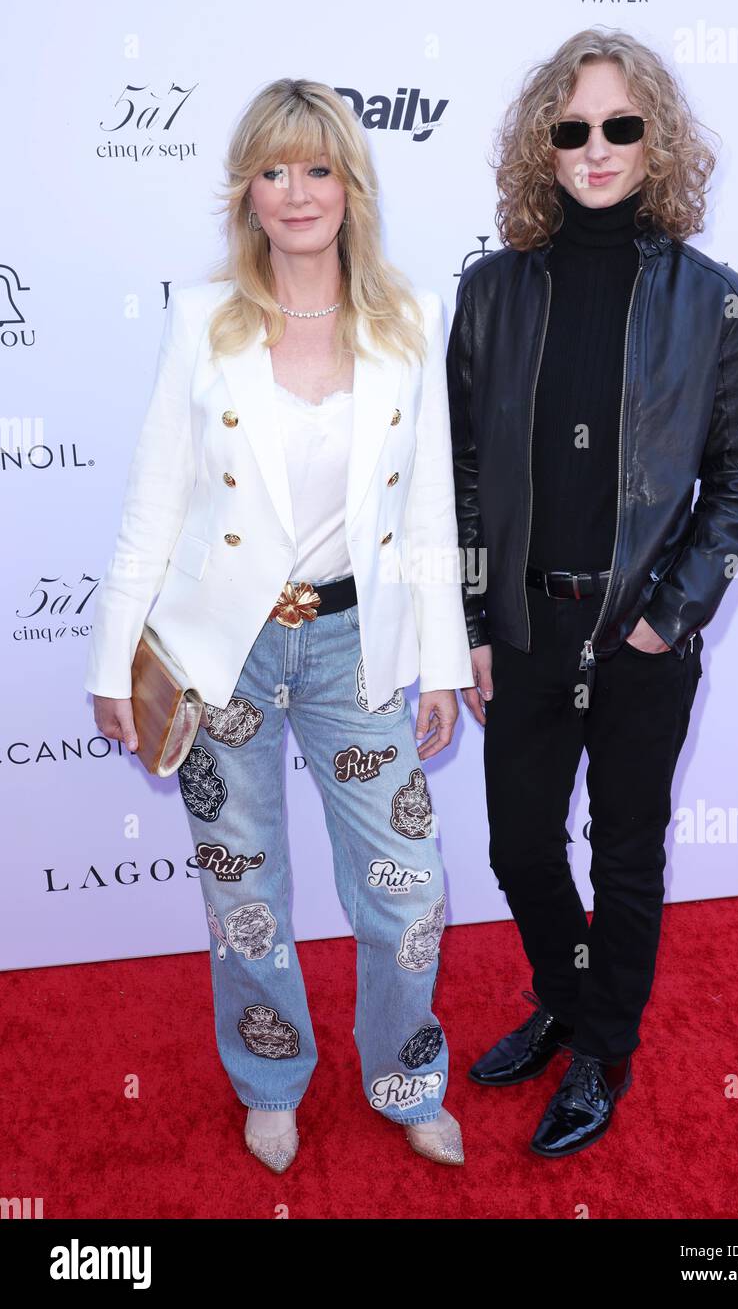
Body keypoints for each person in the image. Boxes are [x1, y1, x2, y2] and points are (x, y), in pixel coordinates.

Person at [85, 77, 473, 1172]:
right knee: (242, 889)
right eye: (272, 170)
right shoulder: (202, 321)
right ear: (245, 193)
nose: (296, 192)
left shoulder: (405, 321)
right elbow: (153, 501)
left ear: (351, 185)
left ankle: (405, 1074)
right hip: (225, 657)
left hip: (357, 648)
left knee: (410, 890)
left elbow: (431, 503)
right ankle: (269, 1075)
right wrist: (113, 656)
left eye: (317, 168)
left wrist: (436, 660)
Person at [447, 29, 738, 1157]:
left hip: (641, 635)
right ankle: (564, 990)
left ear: (656, 143)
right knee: (520, 846)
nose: (595, 149)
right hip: (527, 628)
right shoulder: (489, 293)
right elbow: (462, 473)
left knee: (626, 853)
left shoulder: (714, 302)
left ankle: (600, 1045)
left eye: (619, 127)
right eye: (571, 128)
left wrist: (667, 612)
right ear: (543, 145)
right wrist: (478, 625)